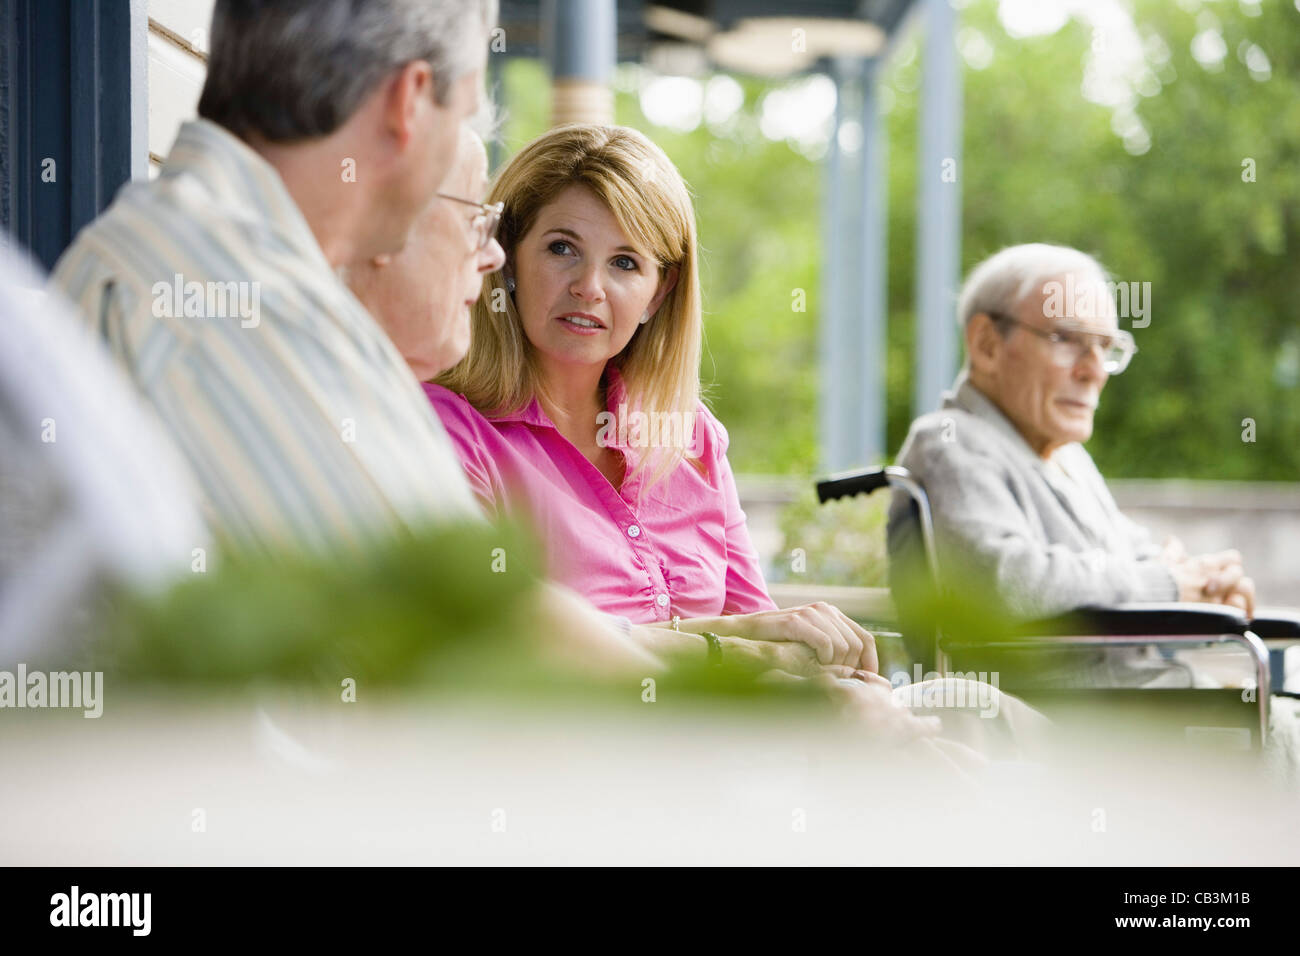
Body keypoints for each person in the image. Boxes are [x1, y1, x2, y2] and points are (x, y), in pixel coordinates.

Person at [422, 124, 882, 672]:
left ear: (658, 293)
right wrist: (728, 644)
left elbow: (767, 640)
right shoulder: (449, 428)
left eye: (625, 262)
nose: (589, 287)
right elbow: (497, 639)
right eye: (562, 248)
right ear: (508, 261)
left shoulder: (691, 433)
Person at [50, 0, 496, 554]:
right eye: (462, 114)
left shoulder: (189, 254)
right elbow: (444, 597)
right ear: (410, 101)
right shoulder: (246, 305)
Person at [888, 244, 1254, 686]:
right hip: (1061, 716)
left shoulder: (1066, 457)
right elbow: (1008, 581)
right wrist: (1168, 583)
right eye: (1066, 339)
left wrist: (1208, 585)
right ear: (986, 344)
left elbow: (1139, 557)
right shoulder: (949, 442)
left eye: (1106, 346)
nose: (1095, 371)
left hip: (1153, 701)